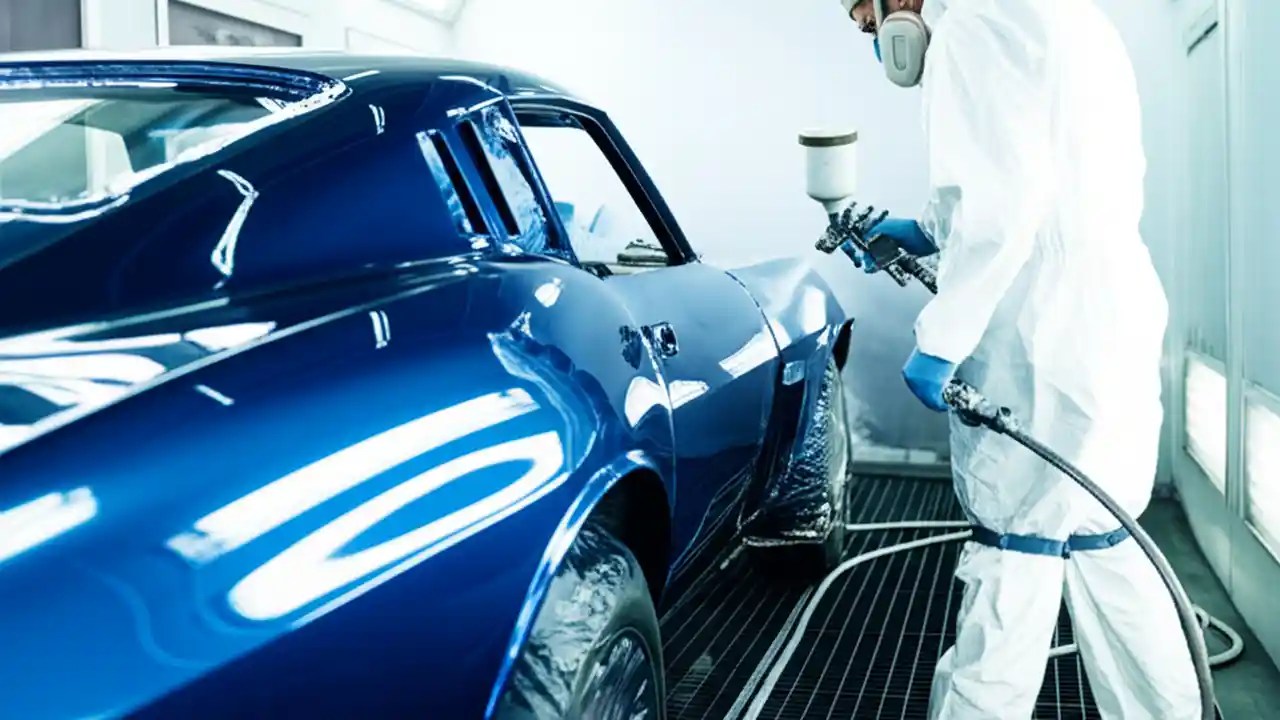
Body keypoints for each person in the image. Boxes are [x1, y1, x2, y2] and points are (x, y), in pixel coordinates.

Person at [838, 0, 1199, 718]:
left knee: (1015, 550)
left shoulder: (972, 29)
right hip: (1111, 318)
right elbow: (1042, 175)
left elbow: (1000, 210)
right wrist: (927, 231)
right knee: (1108, 541)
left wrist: (942, 340)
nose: (866, 31)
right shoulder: (1068, 16)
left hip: (1043, 336)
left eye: (860, 10)